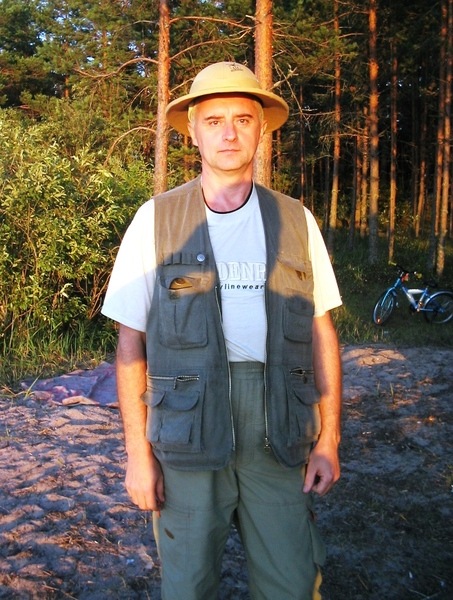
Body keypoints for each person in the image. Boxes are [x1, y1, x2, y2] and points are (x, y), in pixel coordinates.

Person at [102, 61, 342, 600]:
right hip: (186, 436)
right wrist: (138, 456)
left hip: (279, 430)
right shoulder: (155, 220)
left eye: (242, 119)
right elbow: (130, 343)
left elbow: (321, 330)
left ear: (262, 129)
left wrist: (329, 437)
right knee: (188, 586)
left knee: (292, 584)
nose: (229, 133)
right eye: (214, 121)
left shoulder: (297, 220)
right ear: (193, 131)